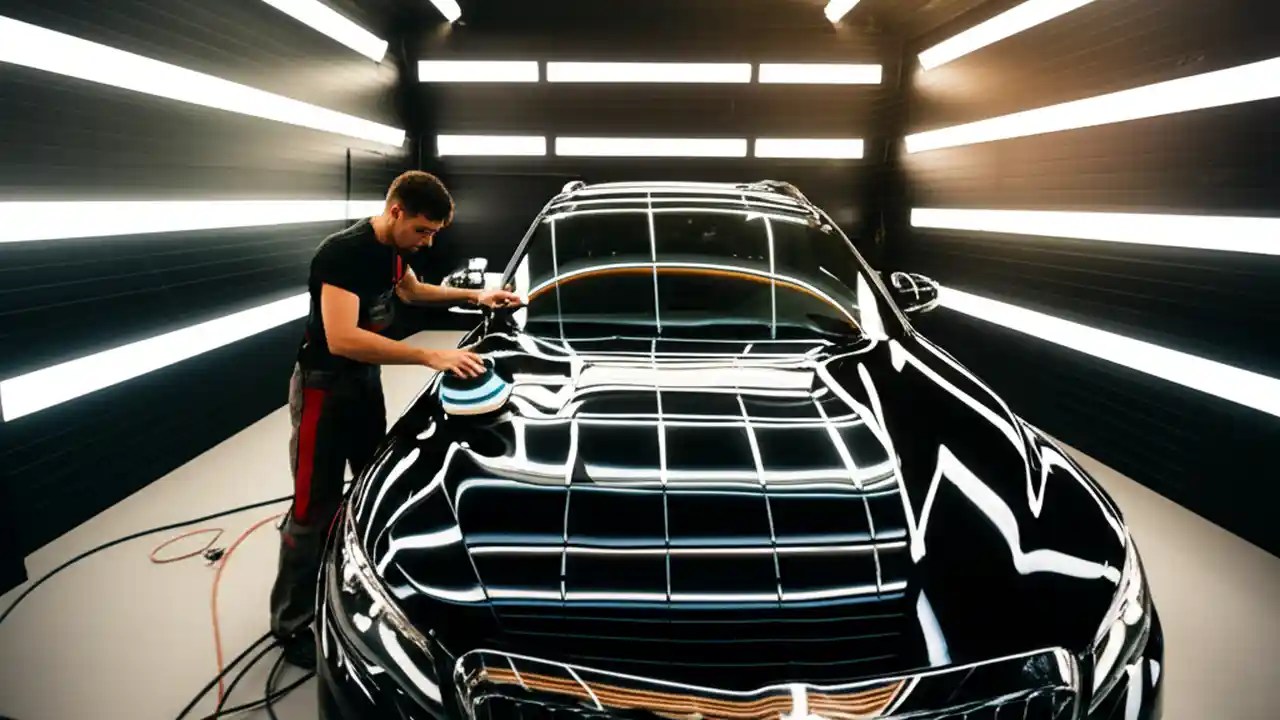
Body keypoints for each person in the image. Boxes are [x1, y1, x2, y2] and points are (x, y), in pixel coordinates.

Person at [269, 170, 521, 668]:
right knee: (311, 508)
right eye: (422, 230)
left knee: (371, 486)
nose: (427, 242)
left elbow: (413, 292)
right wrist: (429, 355)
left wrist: (476, 297)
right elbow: (342, 338)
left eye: (434, 234)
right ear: (396, 211)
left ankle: (358, 586)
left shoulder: (393, 250)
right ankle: (291, 623)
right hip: (323, 386)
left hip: (363, 382)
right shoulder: (341, 254)